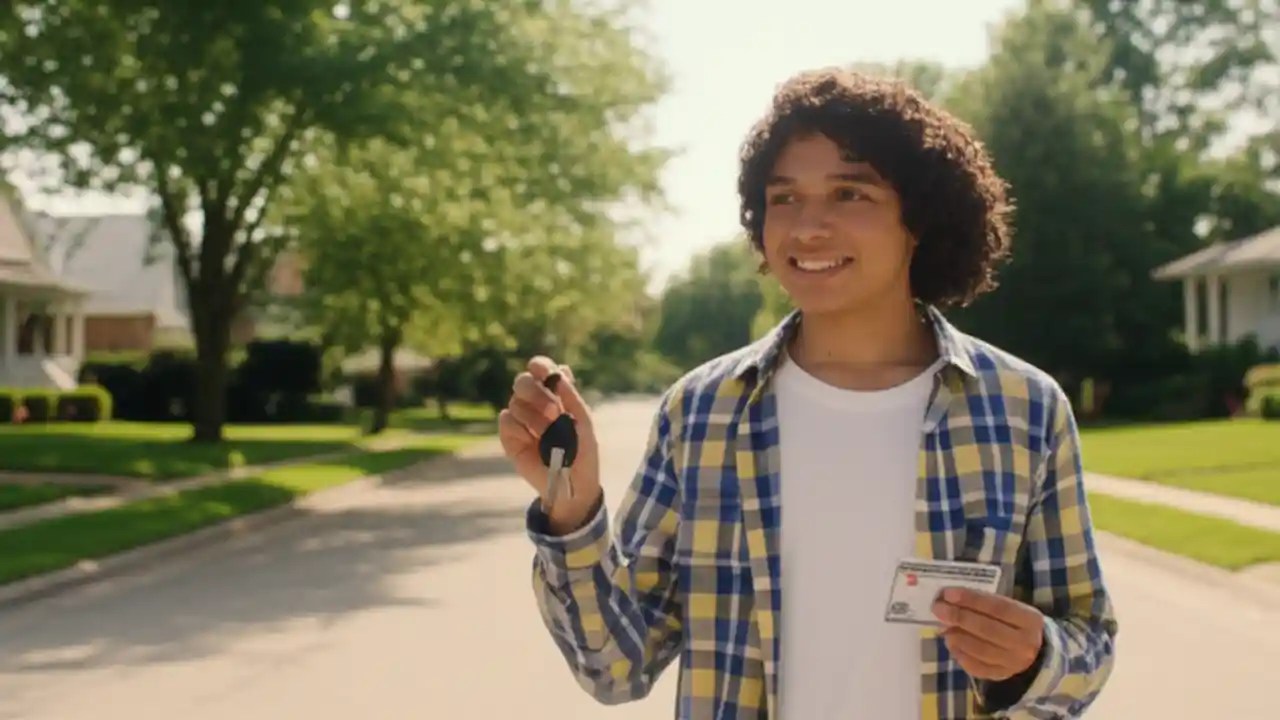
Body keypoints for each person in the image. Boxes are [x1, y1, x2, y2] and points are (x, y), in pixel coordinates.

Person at [499, 67, 1118, 719]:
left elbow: (1089, 643)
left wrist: (1034, 658)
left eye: (850, 193)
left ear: (919, 220)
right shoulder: (700, 412)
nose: (808, 227)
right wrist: (570, 509)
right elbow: (615, 668)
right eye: (785, 197)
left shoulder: (1024, 410)